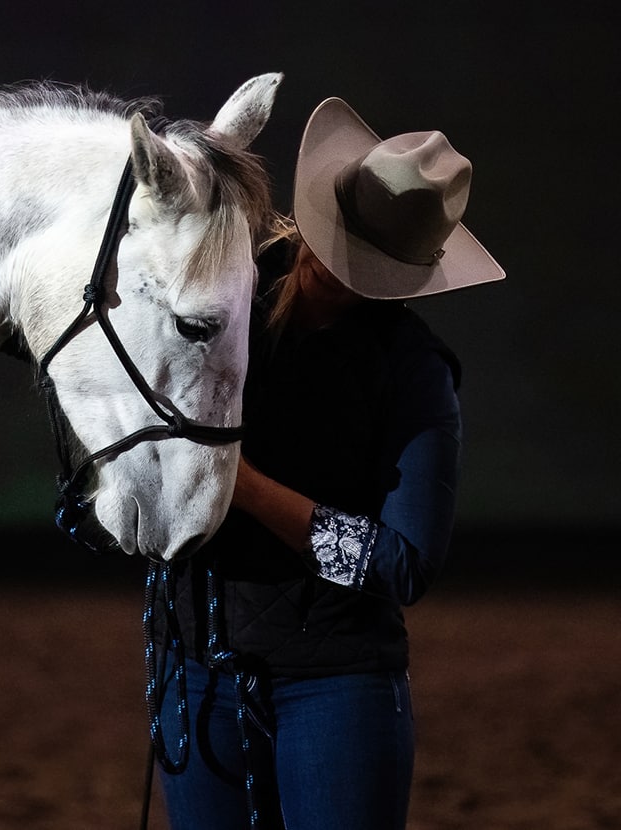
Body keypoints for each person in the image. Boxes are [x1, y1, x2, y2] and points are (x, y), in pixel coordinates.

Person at [144, 97, 505, 830]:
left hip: (336, 683)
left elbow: (402, 564)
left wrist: (240, 483)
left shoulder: (412, 371)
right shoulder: (209, 300)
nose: (340, 273)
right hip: (194, 665)